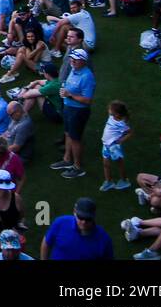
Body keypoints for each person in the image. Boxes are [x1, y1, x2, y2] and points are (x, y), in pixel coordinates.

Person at [54, 49, 94, 179]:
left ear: (83, 61)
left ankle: (77, 167)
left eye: (75, 59)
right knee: (67, 134)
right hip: (68, 107)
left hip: (78, 111)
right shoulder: (73, 70)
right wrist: (65, 91)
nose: (72, 61)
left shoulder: (87, 76)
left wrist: (70, 95)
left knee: (76, 138)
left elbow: (87, 100)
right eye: (72, 58)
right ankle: (67, 159)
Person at [42, 197, 113, 260]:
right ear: (74, 212)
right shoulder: (60, 223)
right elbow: (46, 242)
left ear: (94, 216)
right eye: (81, 217)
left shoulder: (104, 239)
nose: (84, 222)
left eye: (88, 218)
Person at [99, 100, 133, 192]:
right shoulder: (111, 117)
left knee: (119, 164)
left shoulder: (121, 124)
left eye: (111, 109)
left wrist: (121, 140)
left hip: (114, 147)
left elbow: (129, 133)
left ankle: (124, 180)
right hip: (105, 145)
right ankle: (108, 181)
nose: (108, 109)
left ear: (117, 114)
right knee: (106, 164)